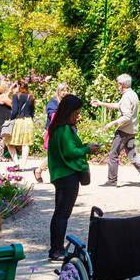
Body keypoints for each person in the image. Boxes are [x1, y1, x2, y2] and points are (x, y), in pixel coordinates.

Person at [47, 94, 102, 261]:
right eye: (76, 113)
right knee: (63, 213)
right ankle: (57, 250)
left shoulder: (57, 128)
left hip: (60, 174)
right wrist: (87, 150)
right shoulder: (63, 129)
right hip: (67, 175)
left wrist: (85, 147)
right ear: (68, 112)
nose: (78, 116)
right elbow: (70, 152)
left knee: (59, 213)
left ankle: (56, 248)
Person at [93, 74, 140, 188]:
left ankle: (112, 181)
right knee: (132, 155)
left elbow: (126, 116)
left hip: (124, 131)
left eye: (118, 84)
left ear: (122, 85)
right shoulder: (132, 94)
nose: (117, 86)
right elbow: (119, 106)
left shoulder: (126, 96)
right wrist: (102, 103)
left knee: (113, 154)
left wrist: (112, 123)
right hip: (131, 130)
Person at [4, 81, 37, 168]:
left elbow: (14, 111)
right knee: (25, 144)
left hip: (18, 121)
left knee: (9, 142)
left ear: (18, 87)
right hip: (28, 121)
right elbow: (32, 112)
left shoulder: (16, 96)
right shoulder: (31, 97)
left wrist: (10, 119)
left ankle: (16, 162)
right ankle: (23, 166)